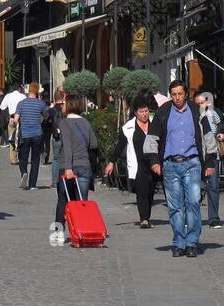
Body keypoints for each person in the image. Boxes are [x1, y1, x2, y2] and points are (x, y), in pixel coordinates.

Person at [143, 80, 214, 258]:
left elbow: (208, 136)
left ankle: (192, 242)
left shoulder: (196, 110)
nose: (177, 98)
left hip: (192, 163)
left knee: (192, 203)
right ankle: (178, 243)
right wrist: (154, 160)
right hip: (170, 164)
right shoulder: (163, 112)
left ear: (186, 94)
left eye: (180, 94)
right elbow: (152, 137)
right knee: (175, 207)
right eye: (173, 94)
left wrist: (211, 161)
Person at [105, 93, 157, 228]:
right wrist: (111, 162)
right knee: (142, 191)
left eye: (146, 111)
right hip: (138, 163)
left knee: (150, 190)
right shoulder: (128, 127)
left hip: (154, 162)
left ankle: (147, 215)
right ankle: (144, 219)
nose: (144, 114)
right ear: (135, 112)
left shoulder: (155, 122)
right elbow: (120, 146)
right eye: (141, 112)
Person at [54, 95, 98, 226]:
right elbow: (94, 144)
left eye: (63, 104)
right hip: (84, 166)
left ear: (69, 106)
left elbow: (67, 147)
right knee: (82, 202)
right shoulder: (86, 122)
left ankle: (59, 230)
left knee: (63, 201)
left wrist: (68, 168)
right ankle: (82, 230)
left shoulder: (64, 123)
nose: (62, 106)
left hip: (68, 166)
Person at [195, 91, 224, 229]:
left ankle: (213, 218)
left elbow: (222, 125)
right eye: (198, 103)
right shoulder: (193, 116)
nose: (200, 105)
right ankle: (192, 217)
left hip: (212, 154)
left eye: (202, 103)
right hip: (196, 155)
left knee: (213, 186)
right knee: (195, 188)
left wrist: (221, 134)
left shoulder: (213, 114)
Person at [11, 83, 48, 190]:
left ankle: (23, 172)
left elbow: (15, 120)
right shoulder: (41, 104)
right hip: (37, 134)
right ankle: (32, 184)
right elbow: (46, 116)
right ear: (37, 92)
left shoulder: (21, 104)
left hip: (25, 135)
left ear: (28, 91)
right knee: (35, 160)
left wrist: (15, 123)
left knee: (23, 158)